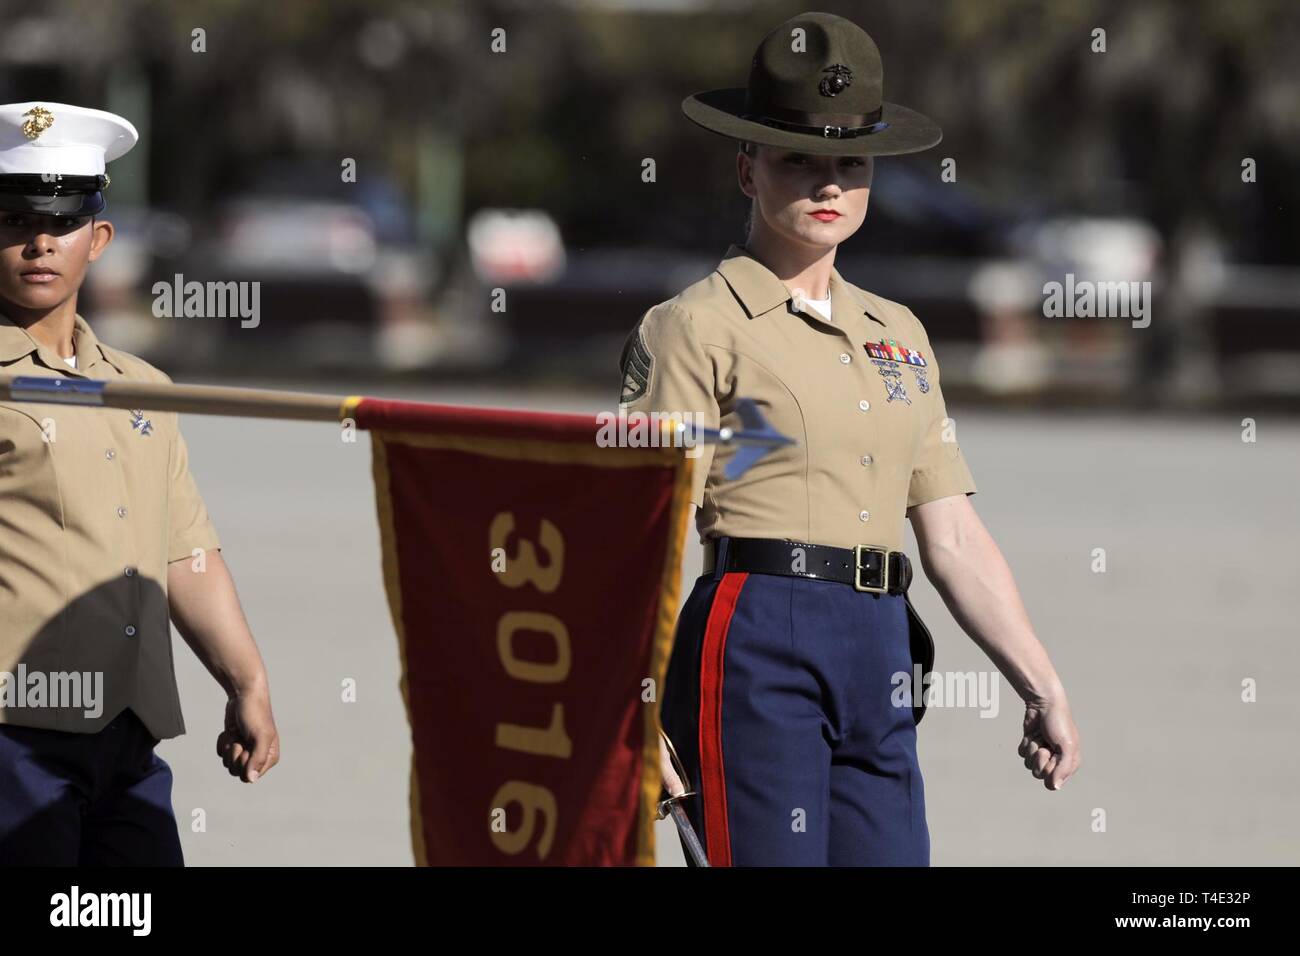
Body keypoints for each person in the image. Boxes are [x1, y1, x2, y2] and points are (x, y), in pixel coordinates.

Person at [622, 13, 1081, 867]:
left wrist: (1039, 681)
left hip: (882, 645)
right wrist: (635, 711)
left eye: (850, 162)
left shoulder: (898, 332)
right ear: (746, 169)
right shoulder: (696, 325)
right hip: (755, 635)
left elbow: (952, 534)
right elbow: (637, 535)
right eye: (799, 158)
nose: (828, 184)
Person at [0, 102, 279, 865]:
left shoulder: (140, 387)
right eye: (16, 220)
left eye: (60, 222)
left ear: (99, 238)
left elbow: (184, 553)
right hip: (13, 739)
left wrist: (246, 682)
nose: (38, 242)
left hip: (125, 742)